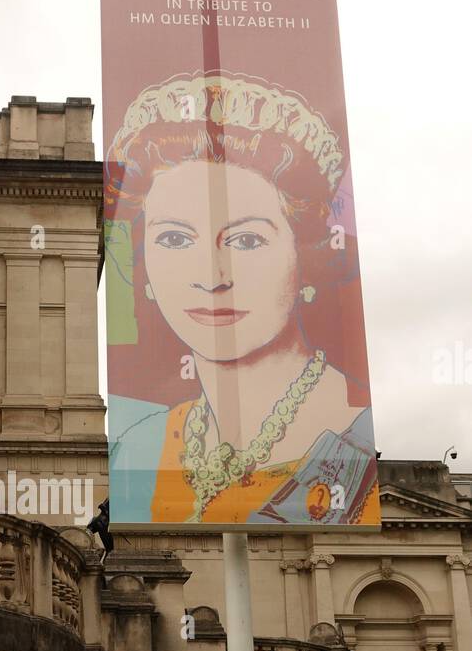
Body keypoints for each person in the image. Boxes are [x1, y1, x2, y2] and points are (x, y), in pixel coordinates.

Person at [104, 72, 380, 527]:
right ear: (144, 269)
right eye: (174, 238)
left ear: (305, 258)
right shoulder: (140, 447)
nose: (211, 278)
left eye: (246, 241)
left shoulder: (349, 435)